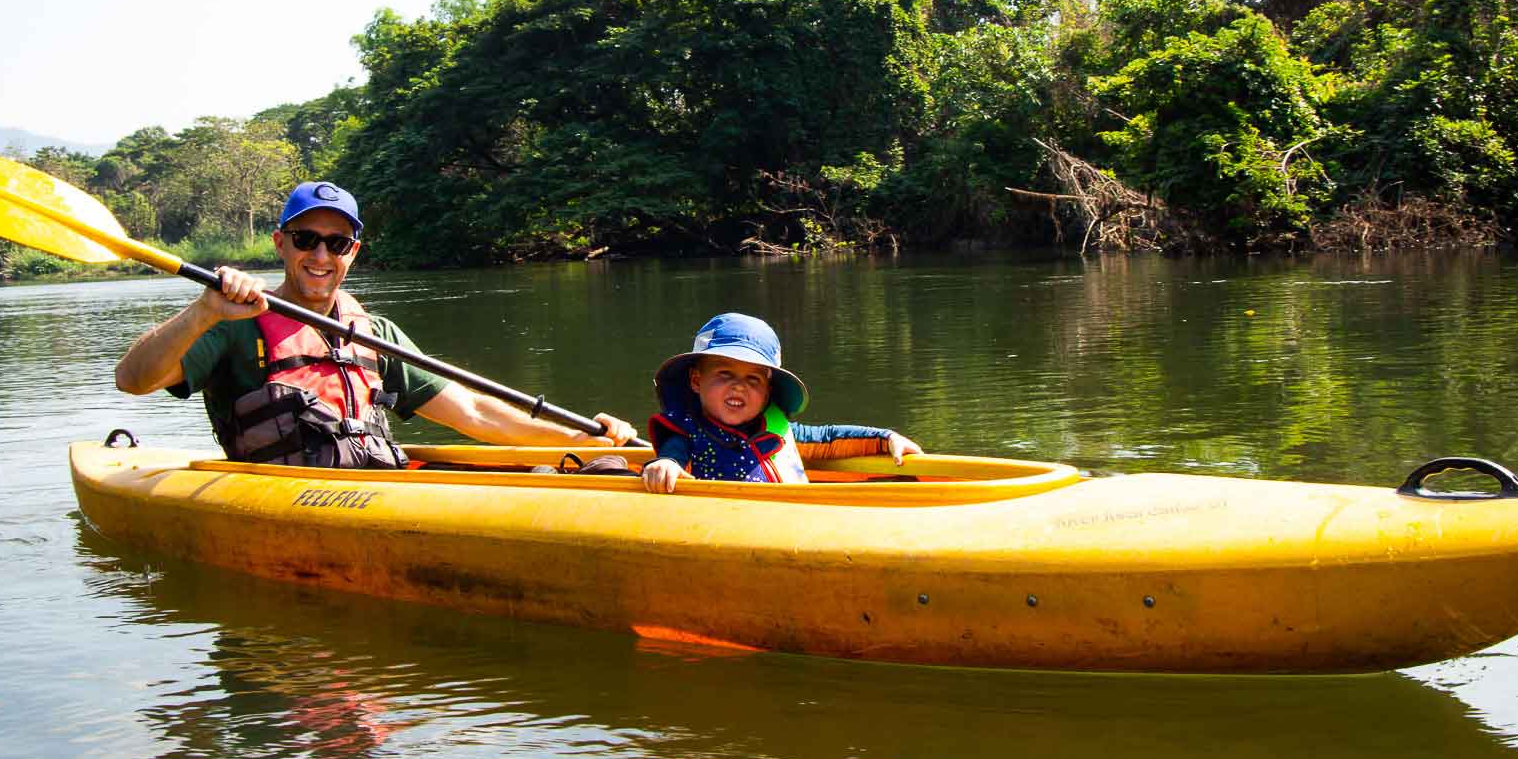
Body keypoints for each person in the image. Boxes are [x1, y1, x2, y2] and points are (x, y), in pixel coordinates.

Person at [115, 180, 636, 465]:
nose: (321, 255)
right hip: (283, 498)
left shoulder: (376, 333)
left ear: (354, 252)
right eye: (305, 239)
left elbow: (475, 412)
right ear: (280, 244)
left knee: (598, 467)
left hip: (374, 485)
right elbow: (132, 380)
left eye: (337, 243)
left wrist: (583, 437)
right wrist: (203, 311)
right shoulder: (234, 322)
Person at [642, 312, 921, 493]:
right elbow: (670, 457)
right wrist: (665, 465)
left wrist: (886, 438)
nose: (739, 386)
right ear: (696, 380)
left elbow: (830, 438)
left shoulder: (780, 431)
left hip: (790, 528)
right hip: (721, 533)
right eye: (725, 374)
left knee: (901, 483)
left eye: (753, 379)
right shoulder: (685, 433)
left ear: (767, 392)